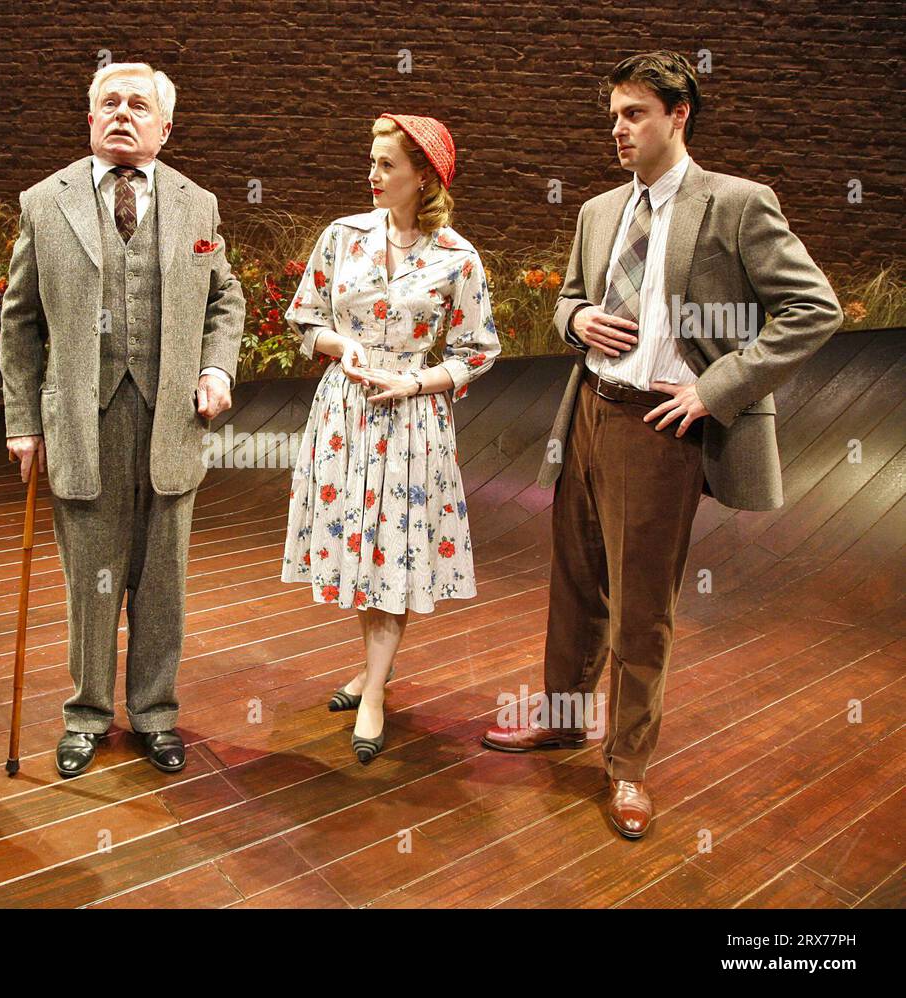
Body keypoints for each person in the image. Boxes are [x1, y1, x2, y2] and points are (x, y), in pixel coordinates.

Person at [481, 52, 842, 838]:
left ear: (679, 114)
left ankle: (629, 766)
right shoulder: (600, 210)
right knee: (575, 585)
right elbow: (570, 300)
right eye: (613, 114)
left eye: (634, 113)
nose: (618, 129)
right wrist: (572, 321)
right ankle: (567, 718)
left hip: (660, 426)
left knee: (643, 610)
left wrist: (715, 391)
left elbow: (815, 309)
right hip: (589, 410)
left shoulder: (738, 205)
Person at [0, 62, 244, 778]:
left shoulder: (198, 205)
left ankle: (157, 713)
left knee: (161, 580)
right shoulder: (46, 202)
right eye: (109, 102)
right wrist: (23, 421)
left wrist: (216, 367)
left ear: (165, 128)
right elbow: (18, 322)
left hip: (171, 418)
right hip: (82, 418)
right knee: (92, 580)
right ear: (89, 119)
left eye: (139, 105)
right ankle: (86, 714)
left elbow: (224, 301)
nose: (122, 113)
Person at [282, 114, 501, 764]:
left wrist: (417, 383)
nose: (371, 175)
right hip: (345, 417)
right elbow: (304, 317)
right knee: (363, 550)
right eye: (372, 161)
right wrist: (337, 343)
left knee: (395, 557)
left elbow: (478, 351)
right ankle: (371, 669)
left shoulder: (458, 257)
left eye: (386, 165)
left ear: (423, 176)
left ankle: (374, 689)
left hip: (409, 422)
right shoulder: (341, 237)